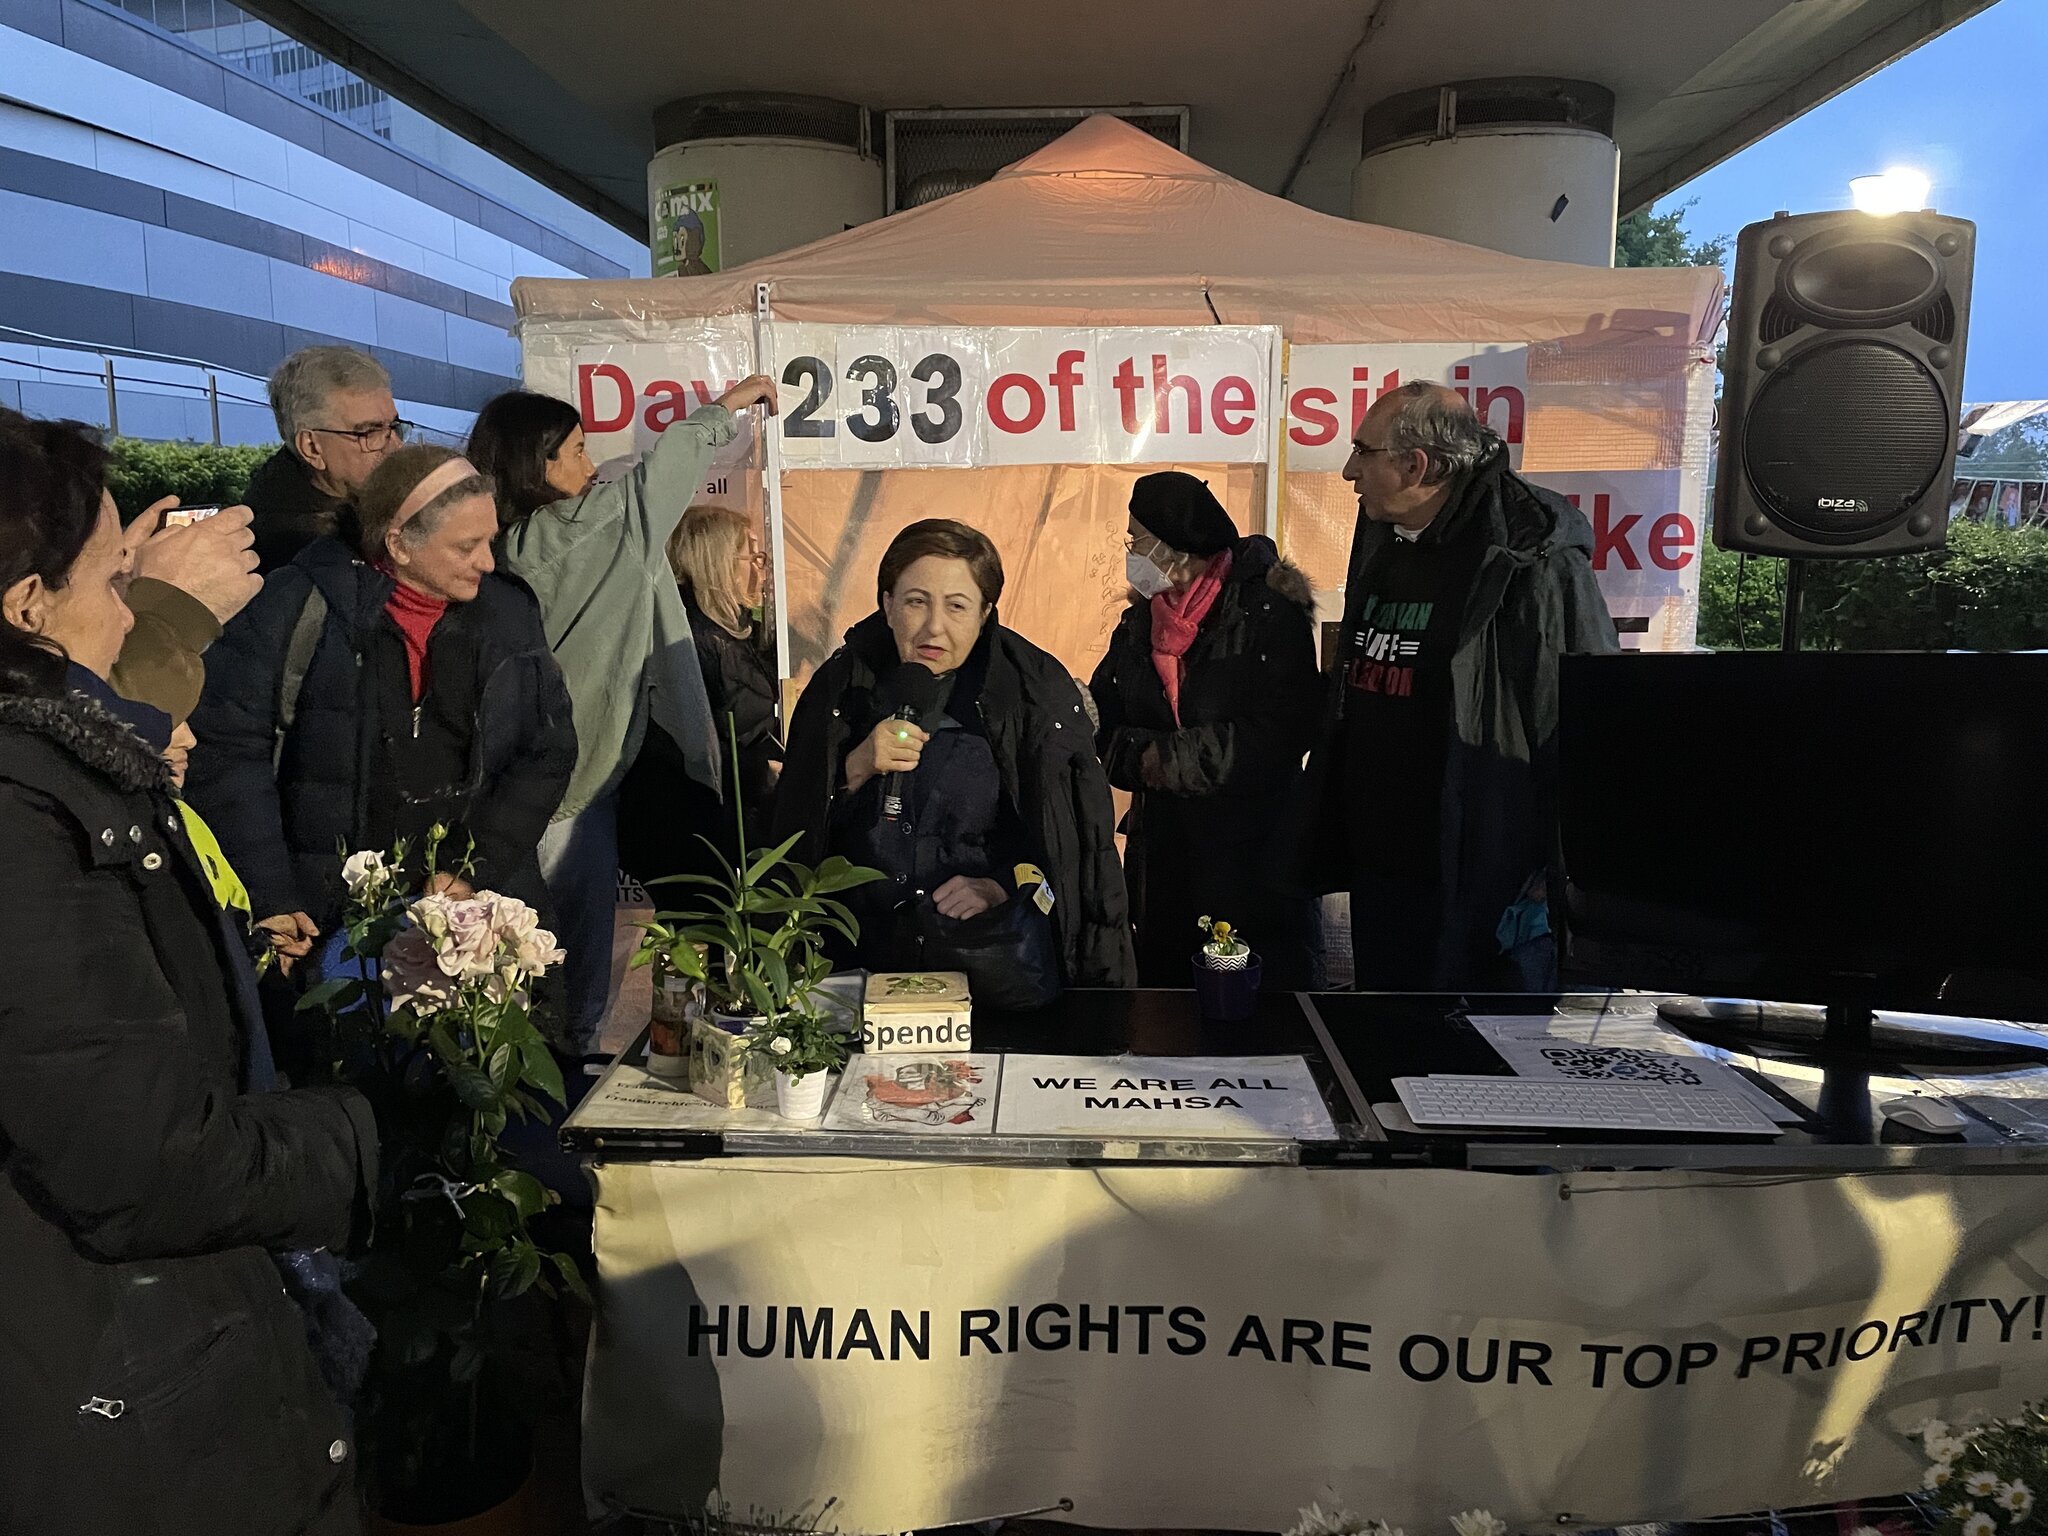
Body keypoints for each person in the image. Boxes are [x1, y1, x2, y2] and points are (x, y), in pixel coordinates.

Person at [0, 409, 376, 1535]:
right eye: (117, 582)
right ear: (27, 608)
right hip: (116, 1392)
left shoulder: (59, 779)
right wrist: (361, 1137)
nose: (134, 615)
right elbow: (142, 1159)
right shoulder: (30, 812)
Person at [187, 444, 576, 979]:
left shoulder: (508, 613)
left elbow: (547, 750)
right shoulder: (295, 605)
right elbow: (229, 753)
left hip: (478, 914)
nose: (488, 562)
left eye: (491, 540)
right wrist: (270, 893)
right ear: (399, 544)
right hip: (328, 919)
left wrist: (471, 867)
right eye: (467, 546)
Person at [472, 378, 776, 1054]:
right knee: (575, 947)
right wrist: (729, 405)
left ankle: (529, 1068)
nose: (591, 466)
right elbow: (667, 468)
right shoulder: (599, 525)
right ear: (536, 465)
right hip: (579, 779)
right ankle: (569, 1072)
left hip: (527, 772)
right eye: (577, 452)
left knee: (519, 945)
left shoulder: (497, 547)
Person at [1293, 381, 1618, 992]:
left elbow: (1585, 724)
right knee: (1388, 1042)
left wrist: (1563, 869)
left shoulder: (1532, 558)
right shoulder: (1384, 535)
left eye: (1363, 452)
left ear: (1415, 464)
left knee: (1465, 1065)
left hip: (1477, 872)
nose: (1347, 471)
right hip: (1382, 862)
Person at [775, 518, 1134, 992]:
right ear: (887, 604)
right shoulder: (841, 689)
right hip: (853, 965)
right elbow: (788, 837)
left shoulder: (1029, 697)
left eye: (957, 606)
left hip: (988, 965)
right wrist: (856, 767)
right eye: (916, 602)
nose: (934, 627)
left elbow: (1066, 852)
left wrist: (1000, 885)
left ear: (985, 612)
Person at [1089, 472, 1321, 989]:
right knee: (1168, 1004)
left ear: (1180, 548)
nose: (1132, 554)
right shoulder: (1138, 625)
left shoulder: (1266, 618)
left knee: (1250, 1001)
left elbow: (1279, 734)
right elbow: (1099, 726)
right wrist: (1132, 754)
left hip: (1252, 859)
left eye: (1140, 542)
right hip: (1164, 859)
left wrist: (1158, 759)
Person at [618, 504, 782, 882]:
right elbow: (740, 724)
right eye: (752, 555)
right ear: (717, 562)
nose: (761, 568)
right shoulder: (701, 639)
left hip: (698, 818)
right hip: (699, 825)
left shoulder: (722, 632)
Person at [245, 346, 406, 573]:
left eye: (394, 426)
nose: (396, 446)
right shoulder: (301, 553)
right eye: (370, 432)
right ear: (312, 448)